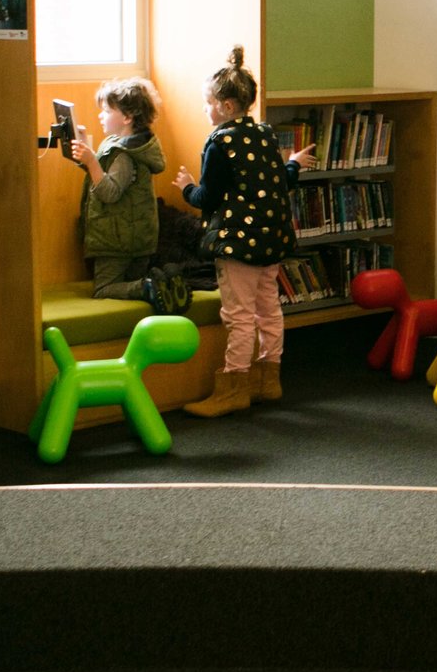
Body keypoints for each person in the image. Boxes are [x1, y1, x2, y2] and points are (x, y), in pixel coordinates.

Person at [174, 47, 316, 416]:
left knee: (238, 316)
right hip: (271, 241)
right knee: (268, 310)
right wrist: (293, 165)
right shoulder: (264, 133)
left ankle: (233, 387)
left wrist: (187, 188)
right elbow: (278, 181)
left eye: (208, 103)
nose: (205, 109)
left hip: (237, 244)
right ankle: (268, 380)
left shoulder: (220, 142)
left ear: (226, 106)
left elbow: (208, 197)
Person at [68, 77, 176, 309]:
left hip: (118, 242)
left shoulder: (125, 154)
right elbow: (103, 173)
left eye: (107, 111)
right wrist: (87, 154)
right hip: (132, 238)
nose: (100, 116)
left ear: (127, 117)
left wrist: (92, 161)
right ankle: (157, 282)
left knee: (103, 289)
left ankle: (146, 286)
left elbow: (109, 192)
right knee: (127, 281)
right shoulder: (121, 144)